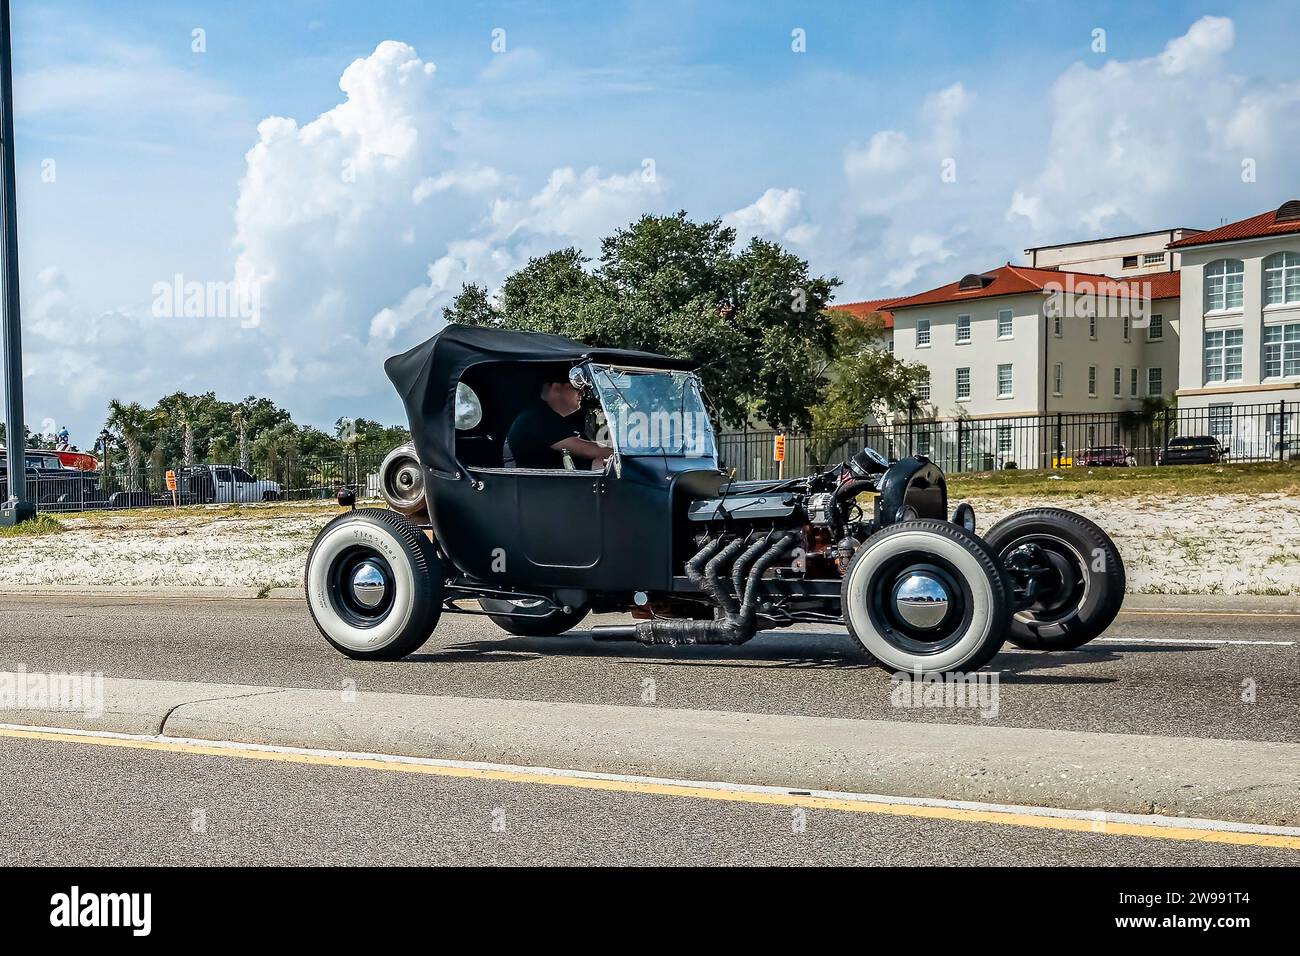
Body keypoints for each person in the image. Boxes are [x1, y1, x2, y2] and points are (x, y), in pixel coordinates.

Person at [503, 372, 609, 470]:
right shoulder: (538, 418)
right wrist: (621, 453)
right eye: (577, 386)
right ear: (556, 387)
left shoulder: (545, 415)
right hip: (542, 485)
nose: (583, 393)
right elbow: (587, 450)